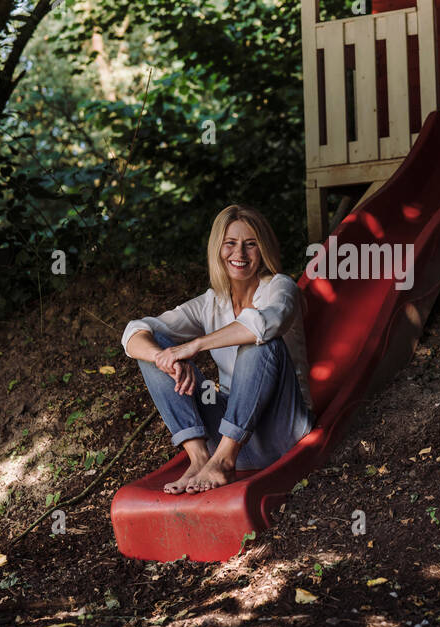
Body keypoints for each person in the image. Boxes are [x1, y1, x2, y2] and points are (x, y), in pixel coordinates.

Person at [121, 204, 314, 493]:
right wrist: (167, 358)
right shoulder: (211, 302)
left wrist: (193, 346)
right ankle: (199, 458)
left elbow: (261, 326)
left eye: (251, 244)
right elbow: (134, 332)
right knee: (154, 350)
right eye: (231, 244)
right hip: (227, 430)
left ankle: (223, 461)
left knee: (260, 342)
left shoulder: (280, 287)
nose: (240, 254)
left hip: (283, 430)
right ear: (218, 250)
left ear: (263, 250)